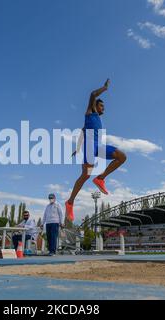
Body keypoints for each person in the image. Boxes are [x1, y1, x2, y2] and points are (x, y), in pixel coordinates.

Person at [66, 79, 127, 221]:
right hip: (89, 147)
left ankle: (100, 178)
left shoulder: (97, 120)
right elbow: (93, 94)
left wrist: (77, 148)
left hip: (98, 147)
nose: (103, 109)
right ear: (95, 106)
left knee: (122, 156)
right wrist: (105, 88)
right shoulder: (89, 112)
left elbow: (82, 131)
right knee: (85, 176)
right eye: (101, 106)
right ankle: (70, 202)